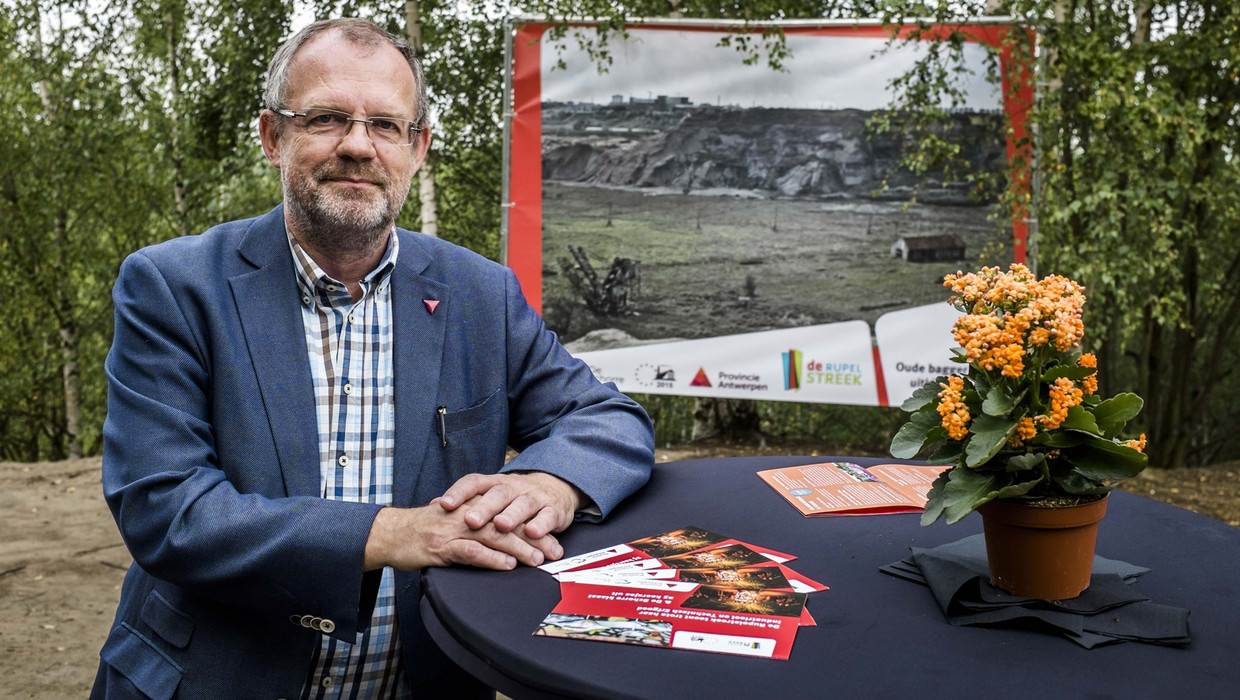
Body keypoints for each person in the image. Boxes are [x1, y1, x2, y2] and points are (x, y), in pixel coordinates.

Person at [92, 17, 654, 700]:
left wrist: (546, 485)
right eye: (327, 118)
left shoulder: (480, 294)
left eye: (386, 125)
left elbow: (608, 420)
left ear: (418, 149)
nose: (358, 145)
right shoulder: (174, 287)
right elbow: (167, 510)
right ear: (274, 136)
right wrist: (394, 533)